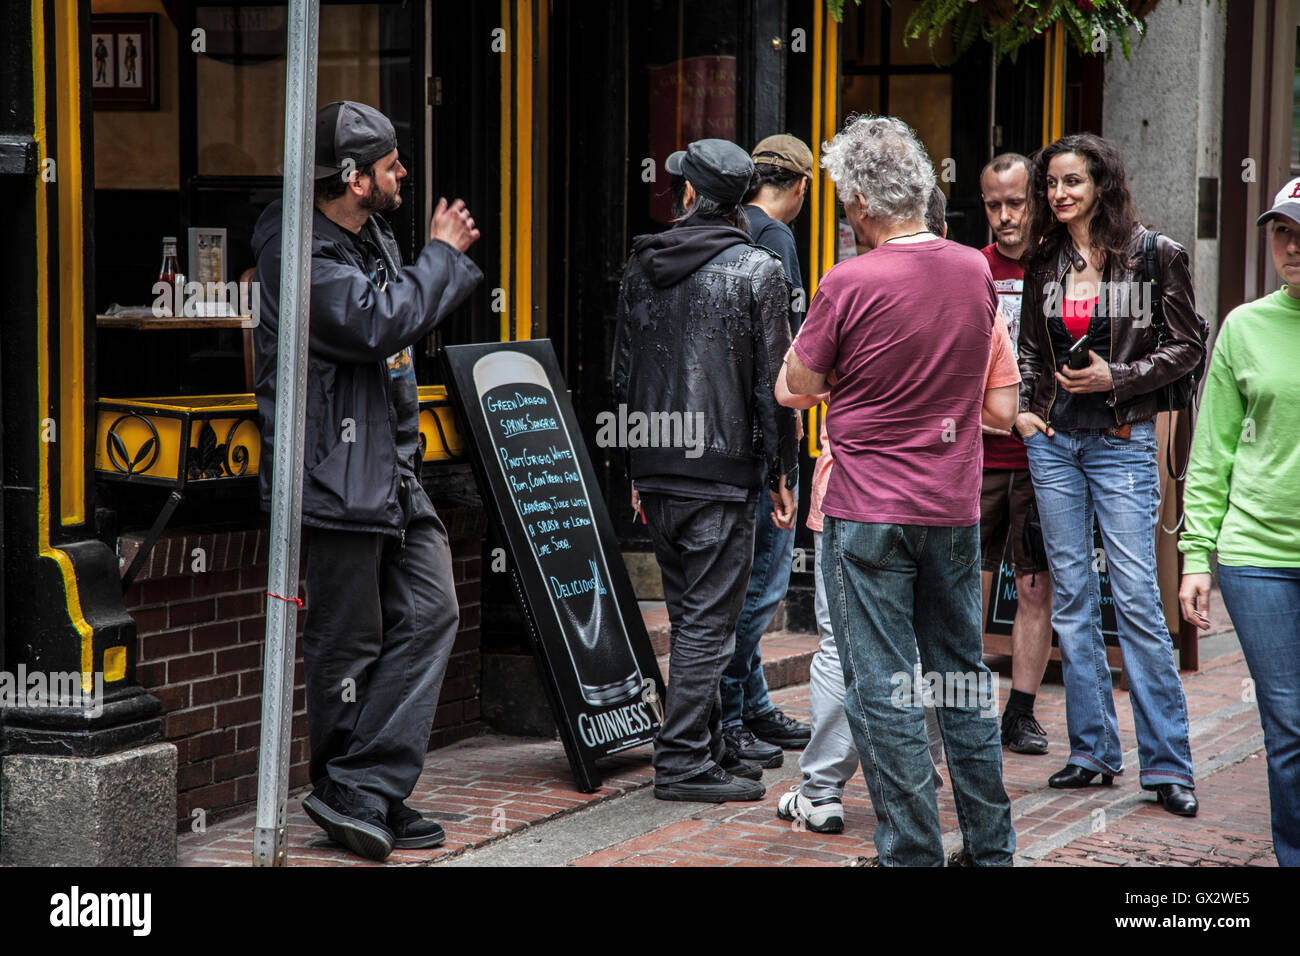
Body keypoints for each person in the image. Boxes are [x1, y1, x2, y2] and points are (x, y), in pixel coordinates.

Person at [252, 101, 482, 860]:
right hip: (334, 474)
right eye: (389, 166)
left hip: (392, 470)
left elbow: (398, 318)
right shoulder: (298, 253)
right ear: (352, 179)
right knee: (346, 646)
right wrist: (442, 256)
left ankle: (366, 785)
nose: (402, 176)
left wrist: (429, 267)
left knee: (430, 610)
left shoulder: (369, 234)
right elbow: (379, 322)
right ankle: (354, 790)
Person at [784, 115, 1016, 866]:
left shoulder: (847, 279)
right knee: (961, 680)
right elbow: (988, 384)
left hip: (868, 509)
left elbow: (797, 386)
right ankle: (990, 849)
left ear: (856, 200)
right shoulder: (971, 268)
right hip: (951, 506)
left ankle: (912, 852)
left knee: (882, 691)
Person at [1016, 133, 1200, 816]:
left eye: (1072, 182)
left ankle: (1169, 765)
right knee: (1072, 601)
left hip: (1122, 444)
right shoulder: (1045, 260)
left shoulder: (1155, 256)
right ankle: (1091, 751)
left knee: (1138, 604)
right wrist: (1028, 416)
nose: (1059, 195)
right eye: (1052, 185)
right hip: (1056, 443)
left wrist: (1114, 377)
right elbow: (1029, 351)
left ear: (1102, 185)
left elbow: (1187, 346)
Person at [613, 138, 800, 803]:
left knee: (695, 611)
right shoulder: (758, 270)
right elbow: (772, 388)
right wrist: (785, 471)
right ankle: (684, 757)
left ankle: (710, 743)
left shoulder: (643, 265)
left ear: (691, 196)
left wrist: (635, 466)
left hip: (658, 466)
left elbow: (623, 377)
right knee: (705, 622)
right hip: (719, 473)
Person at [1178, 179, 1300, 864]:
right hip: (1257, 557)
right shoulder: (1244, 328)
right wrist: (1198, 557)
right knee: (1287, 728)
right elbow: (1213, 450)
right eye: (1283, 230)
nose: (1293, 244)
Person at [718, 134, 816, 768]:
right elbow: (787, 356)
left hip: (720, 431)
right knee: (762, 582)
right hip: (765, 433)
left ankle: (749, 699)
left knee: (741, 578)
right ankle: (727, 709)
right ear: (801, 188)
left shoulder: (727, 226)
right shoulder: (776, 240)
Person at [976, 153, 1055, 755]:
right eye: (993, 204)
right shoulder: (971, 270)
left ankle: (1020, 713)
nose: (1005, 216)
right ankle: (961, 707)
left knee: (1034, 587)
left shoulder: (1059, 268)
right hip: (976, 456)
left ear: (1037, 200)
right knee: (963, 585)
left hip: (1042, 459)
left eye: (1015, 202)